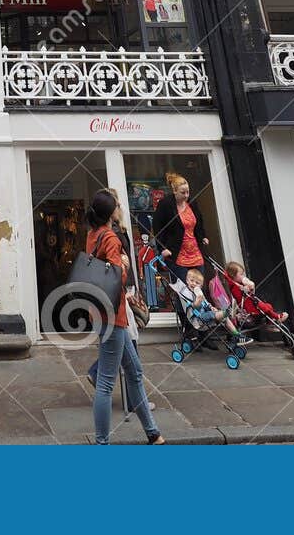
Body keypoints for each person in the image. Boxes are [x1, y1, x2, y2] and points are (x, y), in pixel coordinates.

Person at [83, 188, 164, 445]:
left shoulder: (92, 235)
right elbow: (118, 277)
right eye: (118, 205)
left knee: (135, 371)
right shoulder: (111, 238)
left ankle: (153, 433)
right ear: (111, 212)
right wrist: (126, 266)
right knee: (106, 382)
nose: (120, 208)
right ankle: (102, 443)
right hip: (113, 314)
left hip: (101, 311)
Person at [151, 171, 208, 280]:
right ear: (174, 191)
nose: (186, 195)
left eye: (188, 192)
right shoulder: (165, 204)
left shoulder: (192, 203)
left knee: (198, 286)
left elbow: (199, 221)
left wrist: (203, 236)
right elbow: (158, 227)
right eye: (183, 193)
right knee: (183, 289)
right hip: (177, 253)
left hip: (195, 252)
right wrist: (162, 248)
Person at [221, 259, 289, 325]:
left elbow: (250, 290)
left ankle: (270, 323)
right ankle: (278, 317)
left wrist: (247, 287)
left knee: (268, 306)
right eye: (241, 274)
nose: (243, 276)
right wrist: (246, 283)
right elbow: (249, 287)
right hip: (251, 309)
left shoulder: (237, 285)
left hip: (253, 305)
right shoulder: (235, 287)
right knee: (265, 307)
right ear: (233, 276)